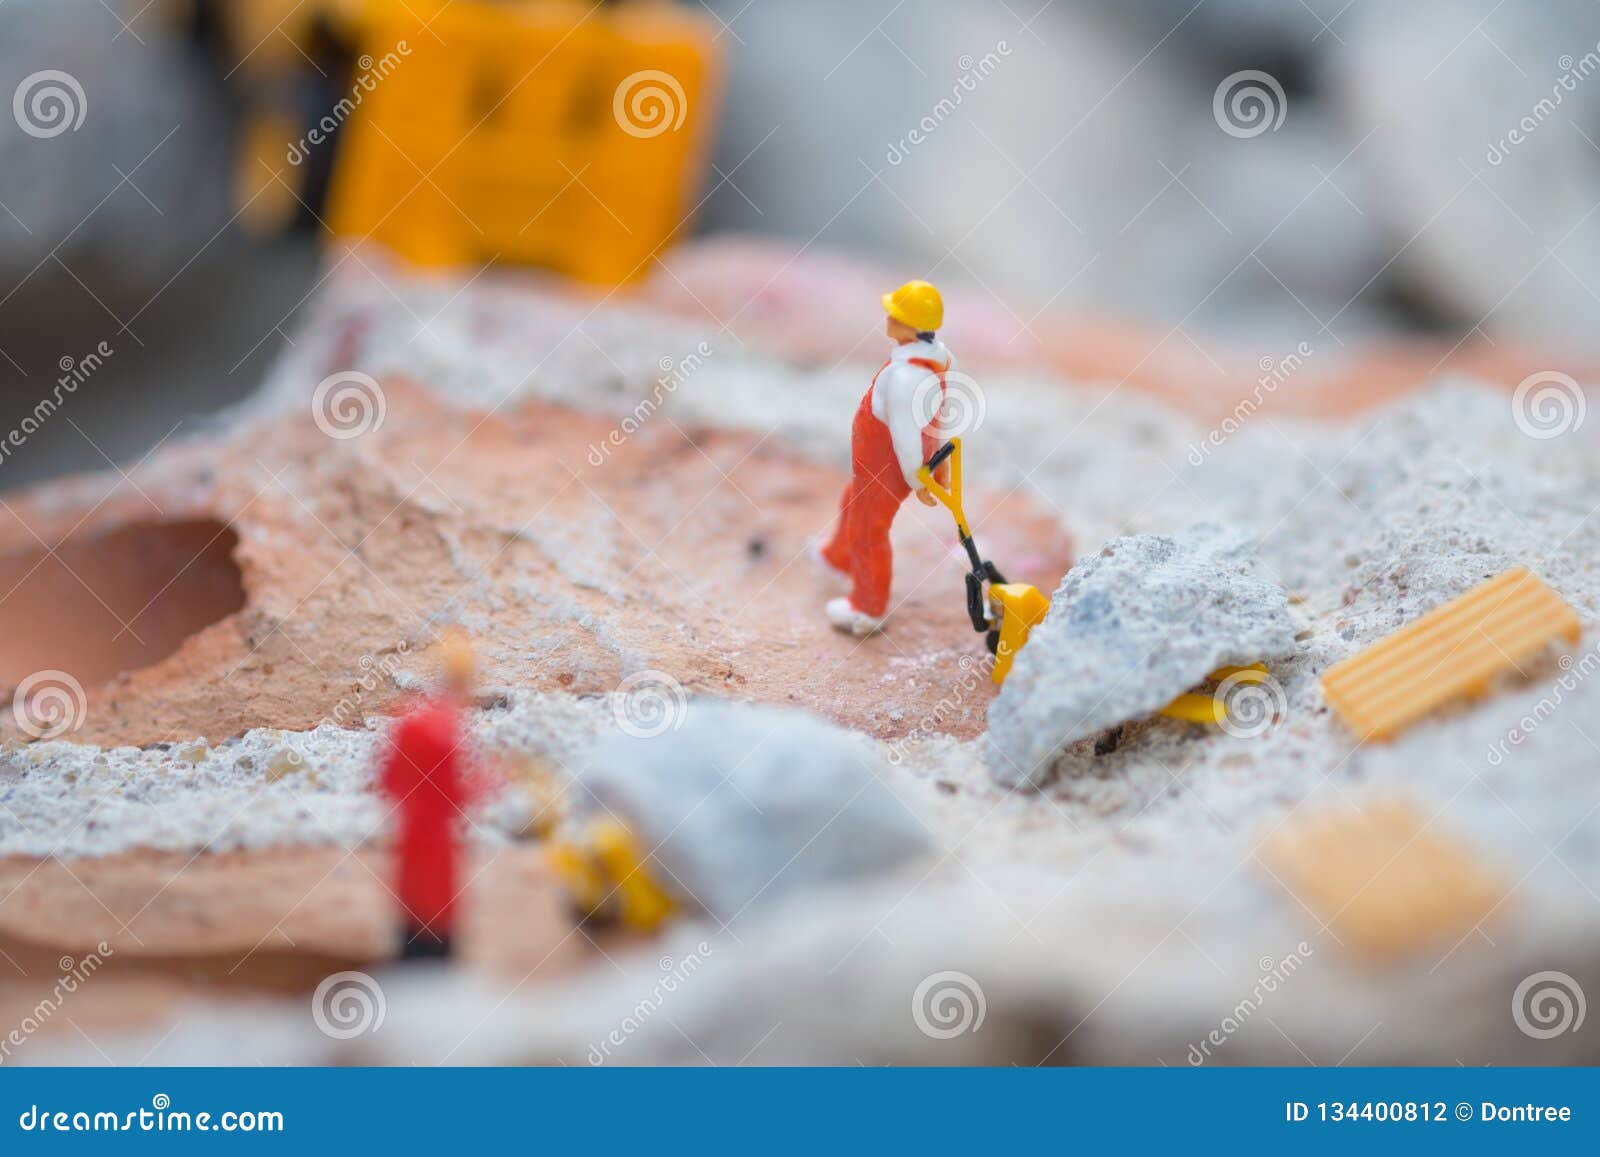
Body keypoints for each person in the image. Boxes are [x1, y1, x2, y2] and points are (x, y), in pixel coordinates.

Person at [816, 279, 952, 635]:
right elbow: (938, 422)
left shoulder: (905, 378)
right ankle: (838, 557)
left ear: (909, 325)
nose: (887, 317)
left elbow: (907, 437)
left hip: (886, 473)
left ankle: (868, 606)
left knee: (868, 532)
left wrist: (916, 479)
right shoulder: (930, 362)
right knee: (851, 503)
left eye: (894, 313)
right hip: (872, 473)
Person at [377, 634, 483, 960]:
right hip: (437, 840)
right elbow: (455, 795)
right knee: (437, 918)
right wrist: (492, 783)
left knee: (410, 912)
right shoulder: (447, 731)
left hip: (410, 834)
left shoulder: (411, 721)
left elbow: (386, 778)